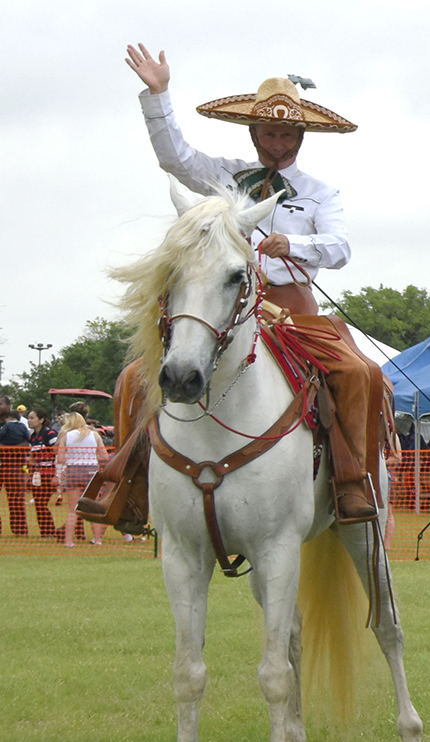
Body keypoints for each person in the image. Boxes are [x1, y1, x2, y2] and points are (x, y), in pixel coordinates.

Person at [95, 46, 390, 528]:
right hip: (219, 307)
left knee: (361, 374)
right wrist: (158, 95)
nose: (280, 141)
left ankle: (351, 482)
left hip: (293, 312)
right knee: (135, 378)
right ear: (254, 133)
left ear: (302, 135)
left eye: (289, 132)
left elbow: (340, 248)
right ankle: (130, 487)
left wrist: (293, 244)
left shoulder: (321, 192)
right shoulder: (222, 173)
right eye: (271, 132)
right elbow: (174, 156)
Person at [56, 413, 105, 546]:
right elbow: (104, 456)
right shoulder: (94, 435)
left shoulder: (66, 436)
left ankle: (69, 541)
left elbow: (60, 458)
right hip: (90, 471)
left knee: (73, 510)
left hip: (73, 470)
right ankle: (98, 539)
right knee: (93, 508)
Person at [0, 408, 32, 537]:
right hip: (16, 465)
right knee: (17, 499)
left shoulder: (6, 426)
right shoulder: (23, 427)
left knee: (16, 498)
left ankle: (20, 529)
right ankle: (20, 530)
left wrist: (5, 448)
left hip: (10, 464)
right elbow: (28, 440)